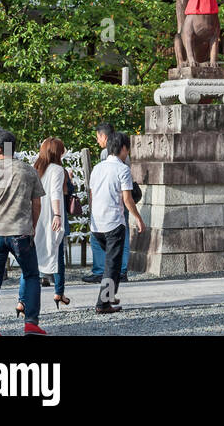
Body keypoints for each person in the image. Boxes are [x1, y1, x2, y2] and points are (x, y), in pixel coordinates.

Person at [0, 128, 47, 336]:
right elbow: (36, 205)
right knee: (32, 275)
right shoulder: (27, 171)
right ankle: (31, 323)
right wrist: (31, 227)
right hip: (21, 232)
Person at [88, 131, 144, 315]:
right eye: (127, 148)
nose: (127, 152)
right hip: (113, 223)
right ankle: (103, 304)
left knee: (112, 262)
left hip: (97, 224)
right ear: (123, 148)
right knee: (112, 266)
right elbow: (128, 199)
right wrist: (138, 218)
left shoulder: (97, 168)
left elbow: (92, 195)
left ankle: (110, 296)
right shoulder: (122, 169)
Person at [83, 121, 131, 284]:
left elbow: (95, 189)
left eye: (98, 137)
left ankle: (101, 274)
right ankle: (107, 299)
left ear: (104, 136)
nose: (98, 141)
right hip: (116, 207)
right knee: (117, 249)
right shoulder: (122, 158)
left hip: (107, 208)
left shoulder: (106, 157)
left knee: (105, 247)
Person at [32, 138, 70, 309]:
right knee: (57, 253)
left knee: (32, 256)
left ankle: (23, 300)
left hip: (36, 214)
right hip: (51, 214)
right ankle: (59, 292)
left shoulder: (36, 169)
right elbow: (56, 193)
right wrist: (57, 215)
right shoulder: (57, 169)